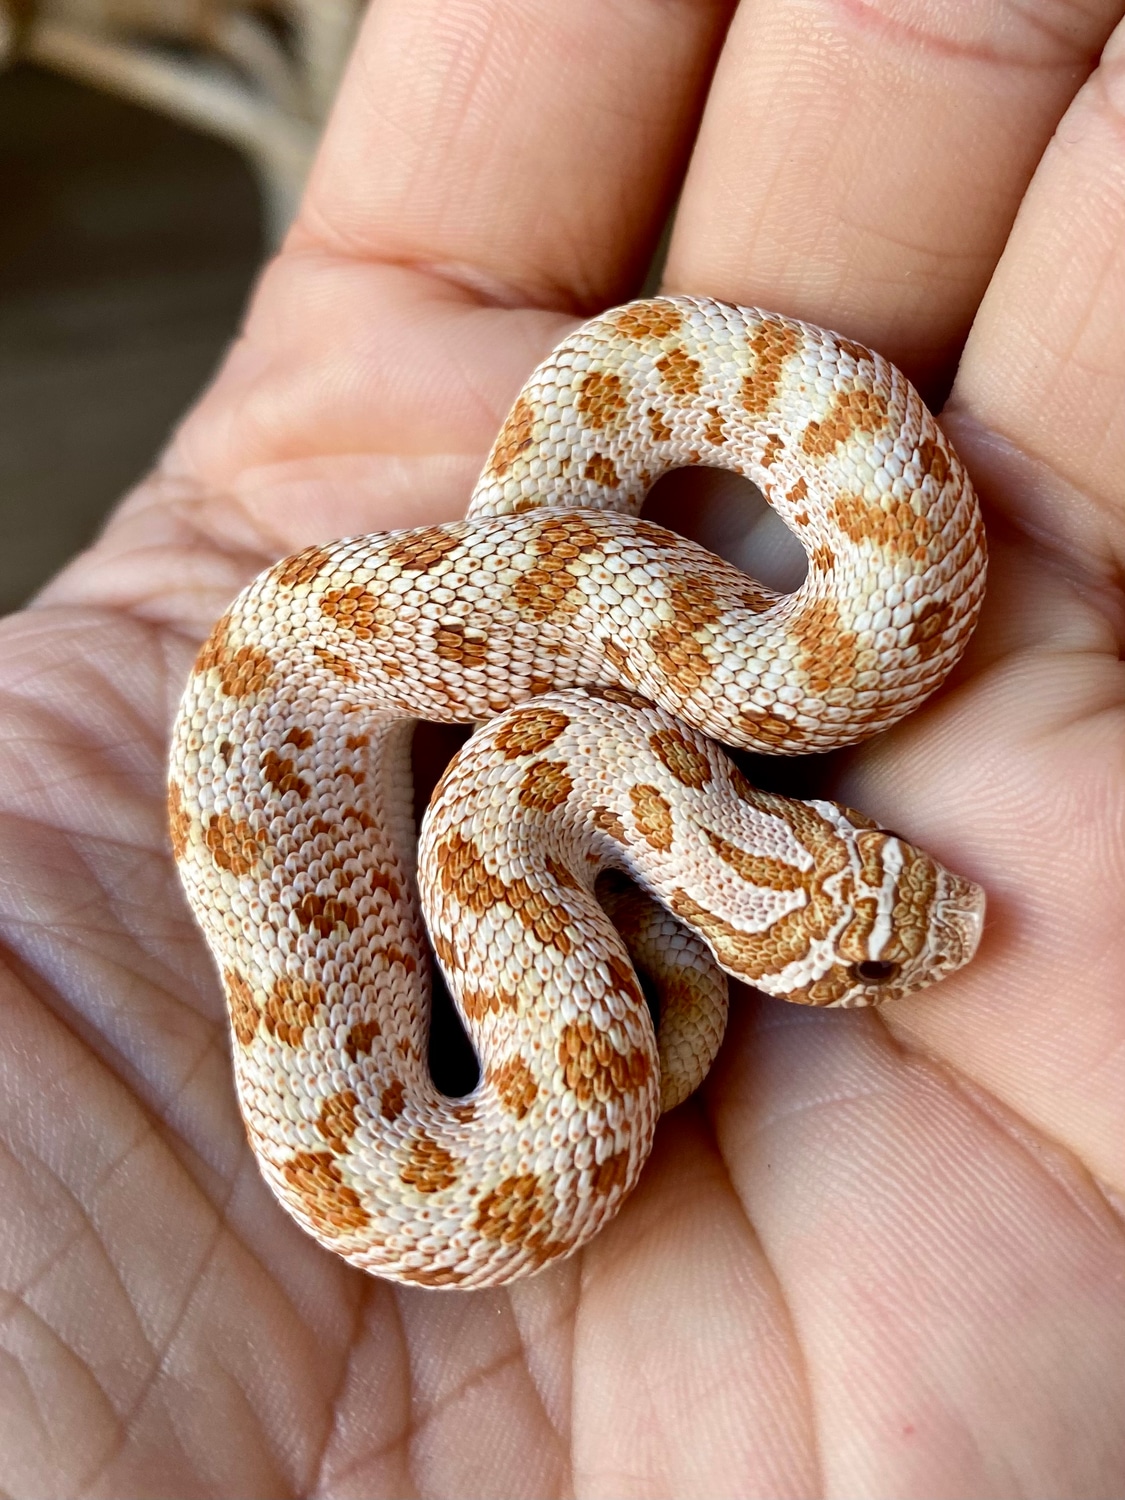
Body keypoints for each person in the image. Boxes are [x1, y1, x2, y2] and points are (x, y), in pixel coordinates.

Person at [4, 1, 1125, 1493]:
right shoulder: (550, 809)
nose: (954, 918)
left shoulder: (573, 790)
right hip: (316, 695)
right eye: (863, 958)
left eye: (865, 937)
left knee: (799, 625)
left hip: (438, 684)